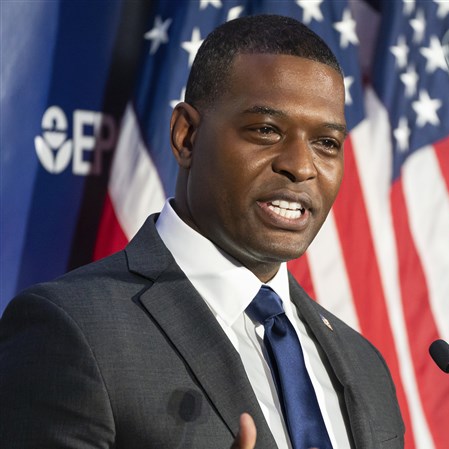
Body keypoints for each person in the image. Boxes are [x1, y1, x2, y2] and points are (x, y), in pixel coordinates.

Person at [0, 14, 404, 449]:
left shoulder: (365, 365)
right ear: (187, 136)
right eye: (266, 130)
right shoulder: (72, 329)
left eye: (326, 143)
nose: (301, 166)